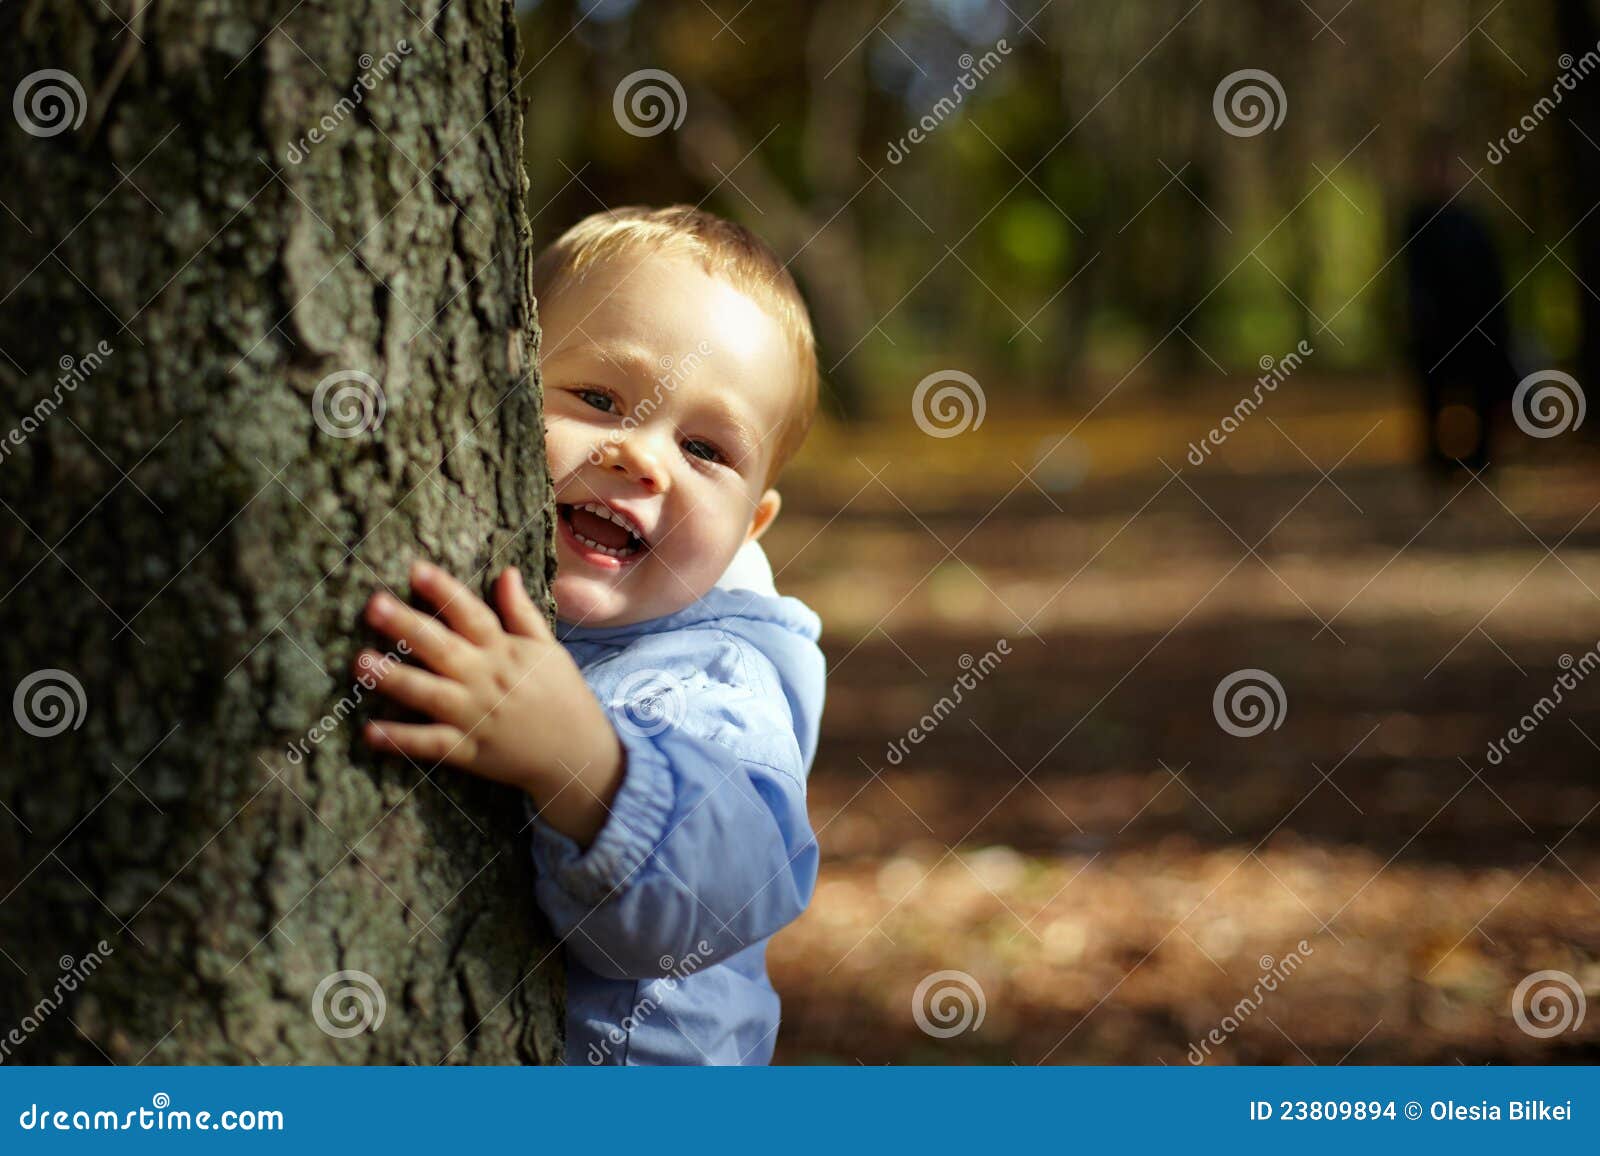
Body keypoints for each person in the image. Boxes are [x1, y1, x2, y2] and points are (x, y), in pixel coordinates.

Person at [352, 206, 824, 1064]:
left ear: (749, 530)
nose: (641, 457)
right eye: (599, 398)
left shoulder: (718, 674)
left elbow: (730, 881)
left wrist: (582, 759)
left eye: (706, 449)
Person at [1402, 136, 1519, 474]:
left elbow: (1493, 280)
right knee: (1433, 397)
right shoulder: (1417, 222)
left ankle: (1481, 460)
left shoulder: (1475, 223)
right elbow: (1413, 280)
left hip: (1477, 326)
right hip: (1434, 332)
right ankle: (1438, 463)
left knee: (1482, 394)